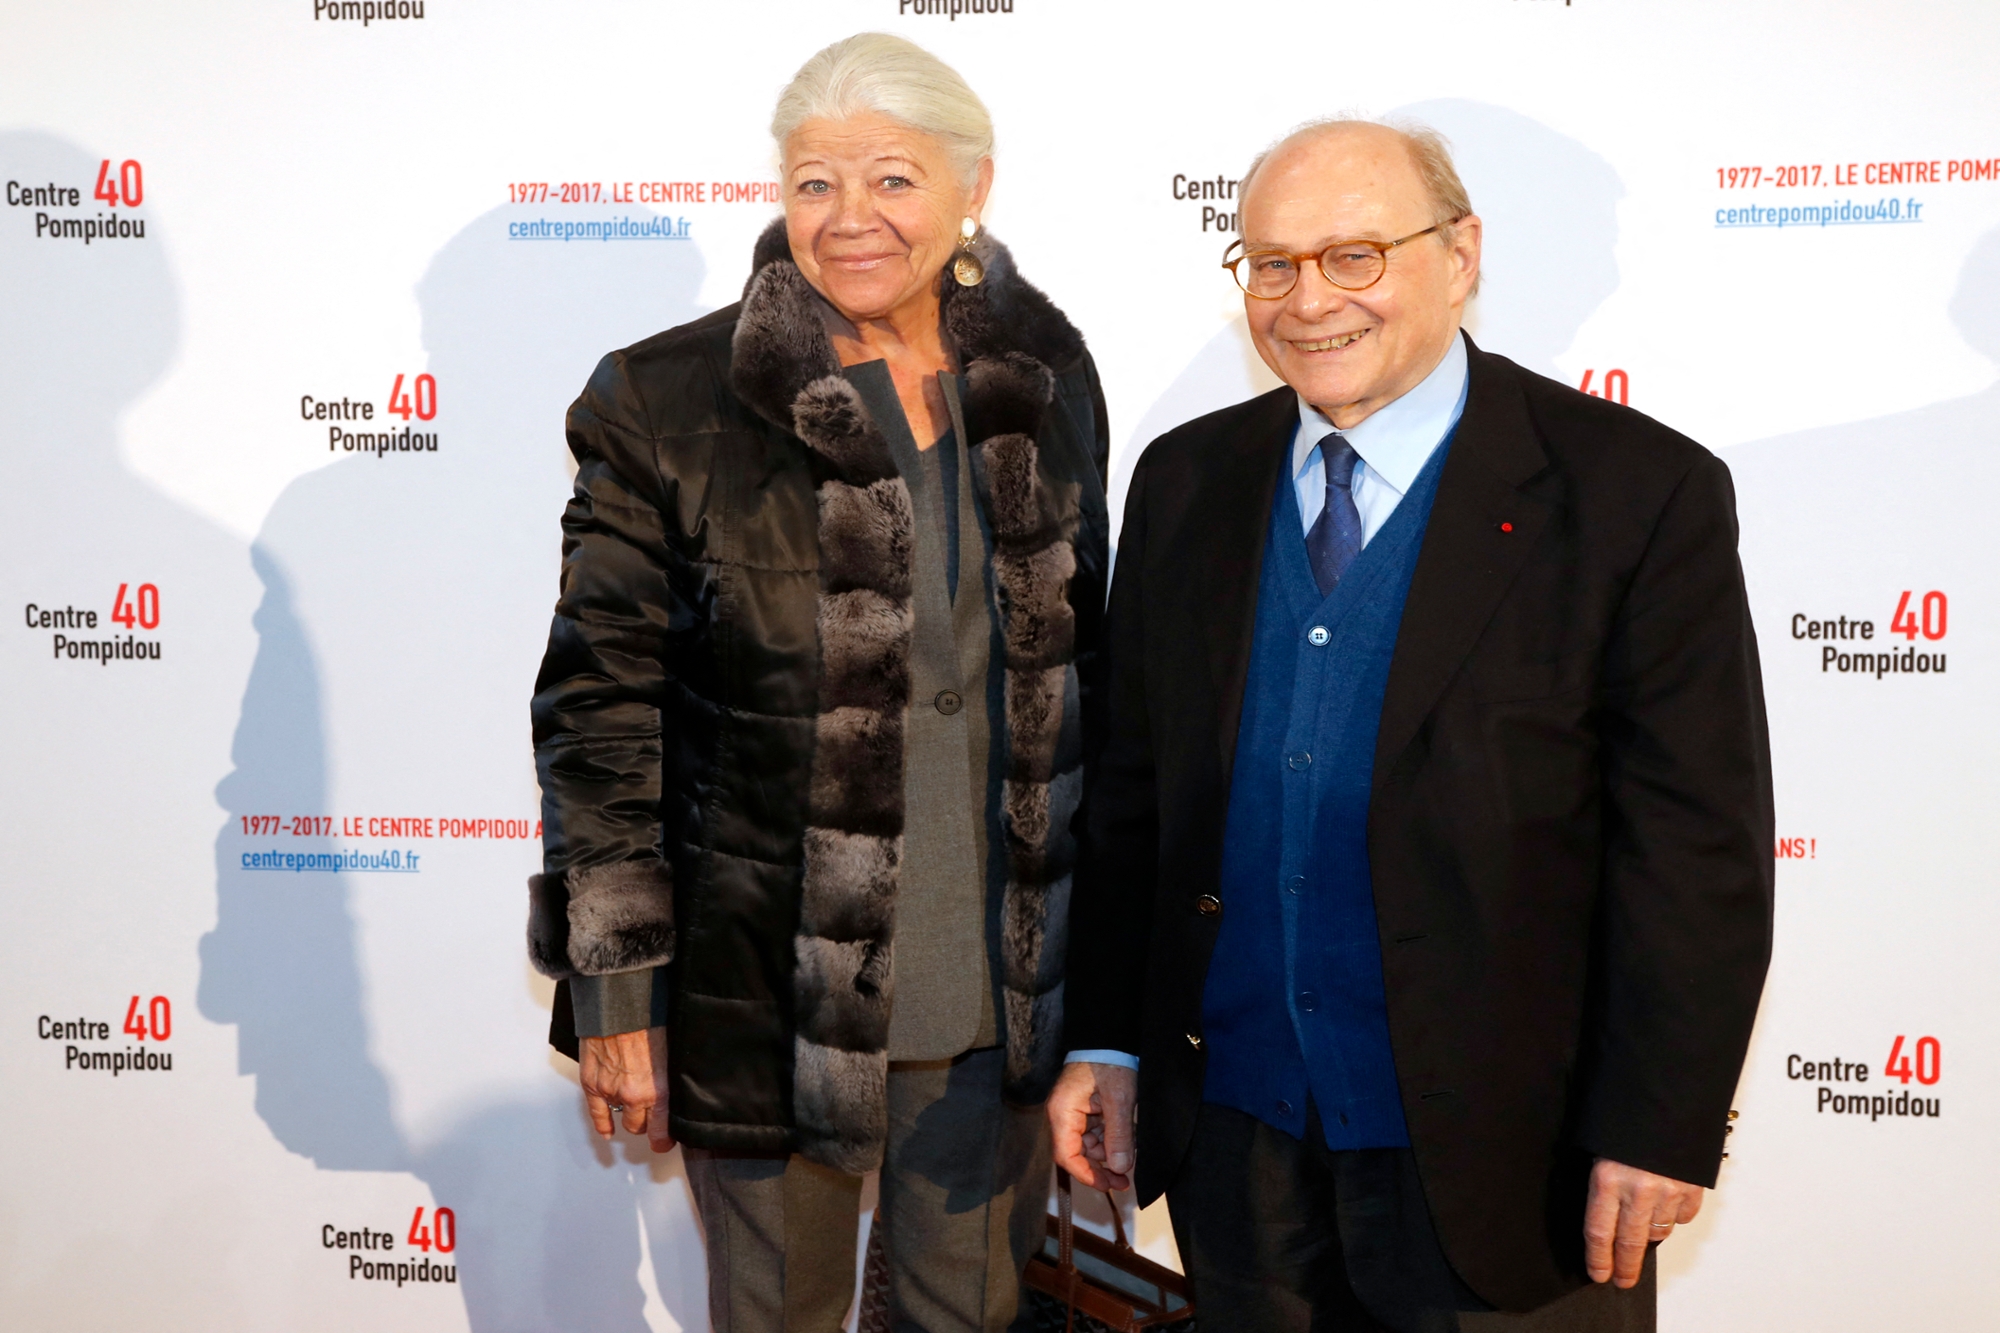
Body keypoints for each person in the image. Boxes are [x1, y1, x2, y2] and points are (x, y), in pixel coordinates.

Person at [1051, 118, 1773, 1331]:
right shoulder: (1184, 480)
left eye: (1353, 257)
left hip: (1512, 1165)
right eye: (1270, 264)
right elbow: (1132, 798)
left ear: (1461, 253)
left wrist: (1656, 1122)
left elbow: (1695, 850)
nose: (1305, 300)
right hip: (1236, 1145)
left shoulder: (1633, 492)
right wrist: (1112, 1041)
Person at [525, 33, 1109, 1333]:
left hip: (995, 993)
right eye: (814, 182)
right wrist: (623, 988)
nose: (850, 220)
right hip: (760, 983)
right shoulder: (664, 399)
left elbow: (1087, 686)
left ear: (975, 187)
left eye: (893, 179)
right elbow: (599, 709)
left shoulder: (1049, 384)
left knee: (972, 1318)